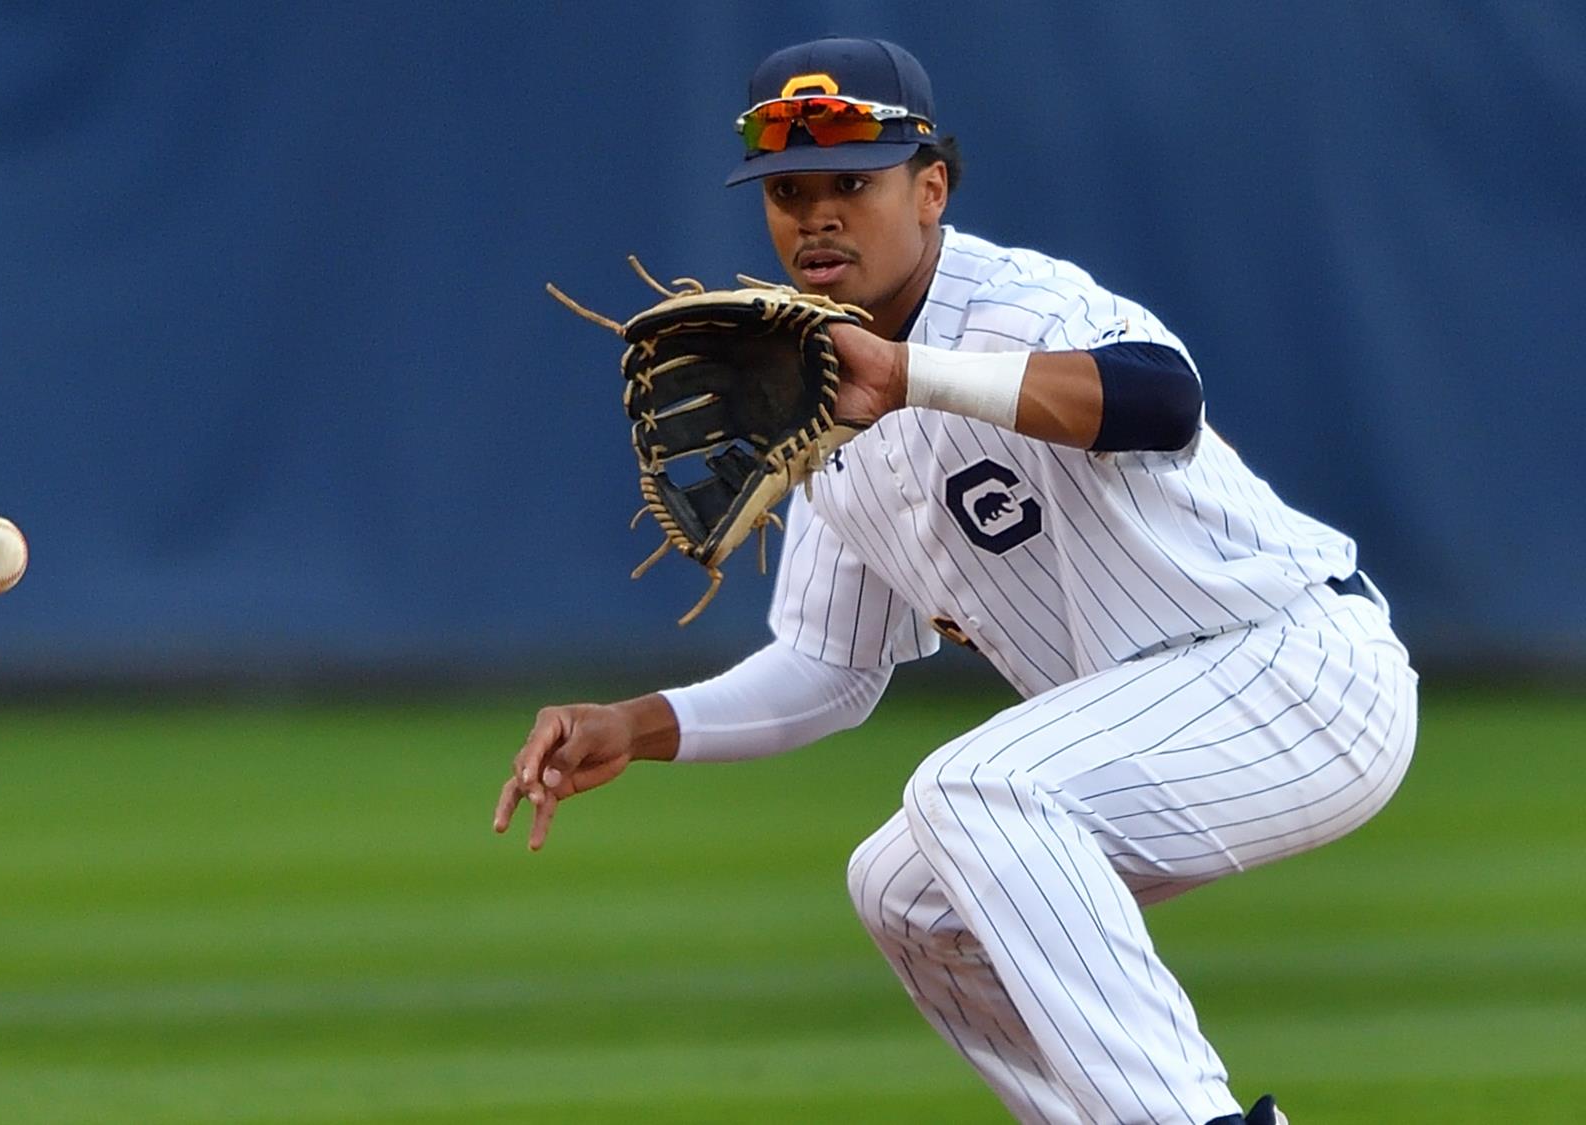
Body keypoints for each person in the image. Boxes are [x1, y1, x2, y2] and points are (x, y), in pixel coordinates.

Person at [493, 35, 1415, 1125]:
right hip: (1158, 712)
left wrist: (910, 375)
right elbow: (828, 668)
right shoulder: (814, 388)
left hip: (1292, 671)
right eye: (788, 192)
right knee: (906, 893)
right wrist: (635, 724)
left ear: (930, 189)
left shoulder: (1017, 304)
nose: (816, 217)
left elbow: (1164, 400)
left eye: (853, 184)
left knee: (973, 790)